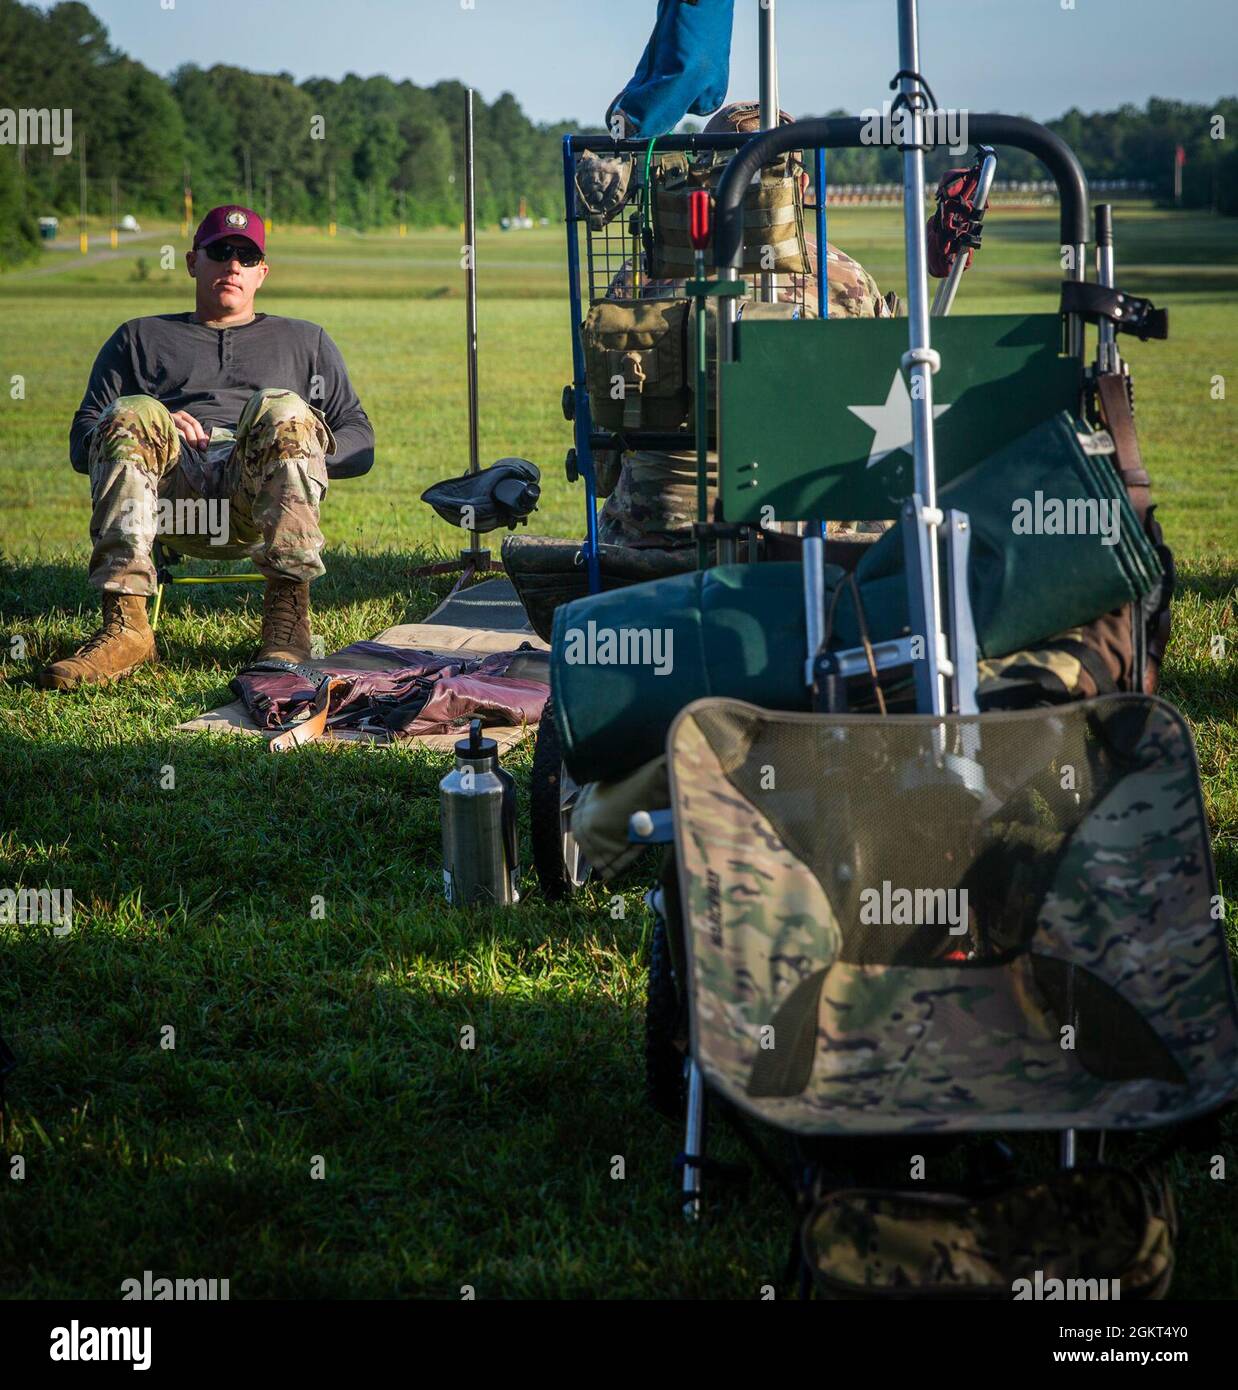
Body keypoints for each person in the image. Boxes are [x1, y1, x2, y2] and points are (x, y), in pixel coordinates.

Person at [42, 204, 374, 690]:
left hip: (257, 504)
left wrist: (292, 446)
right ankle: (127, 626)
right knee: (133, 409)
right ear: (193, 261)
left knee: (282, 408)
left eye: (246, 255)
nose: (232, 264)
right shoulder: (139, 337)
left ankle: (288, 622)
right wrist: (159, 421)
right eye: (220, 251)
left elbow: (360, 441)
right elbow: (82, 440)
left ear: (262, 272)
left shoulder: (306, 341)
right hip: (168, 502)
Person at [594, 103, 895, 568]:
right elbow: (883, 434)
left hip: (650, 539)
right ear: (801, 184)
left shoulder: (644, 272)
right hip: (802, 546)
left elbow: (604, 453)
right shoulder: (846, 280)